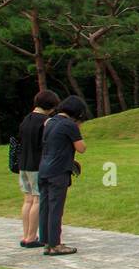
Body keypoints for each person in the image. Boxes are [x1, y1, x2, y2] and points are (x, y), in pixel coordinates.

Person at [38, 96, 88, 256]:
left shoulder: (49, 122)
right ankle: (55, 244)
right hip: (58, 171)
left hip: (43, 169)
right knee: (56, 208)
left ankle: (46, 242)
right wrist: (77, 129)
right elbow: (81, 148)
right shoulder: (69, 125)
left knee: (45, 207)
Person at [17, 89, 60, 248]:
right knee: (37, 200)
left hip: (23, 165)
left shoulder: (26, 119)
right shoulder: (46, 122)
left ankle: (26, 235)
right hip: (37, 165)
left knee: (27, 199)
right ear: (51, 106)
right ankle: (31, 237)